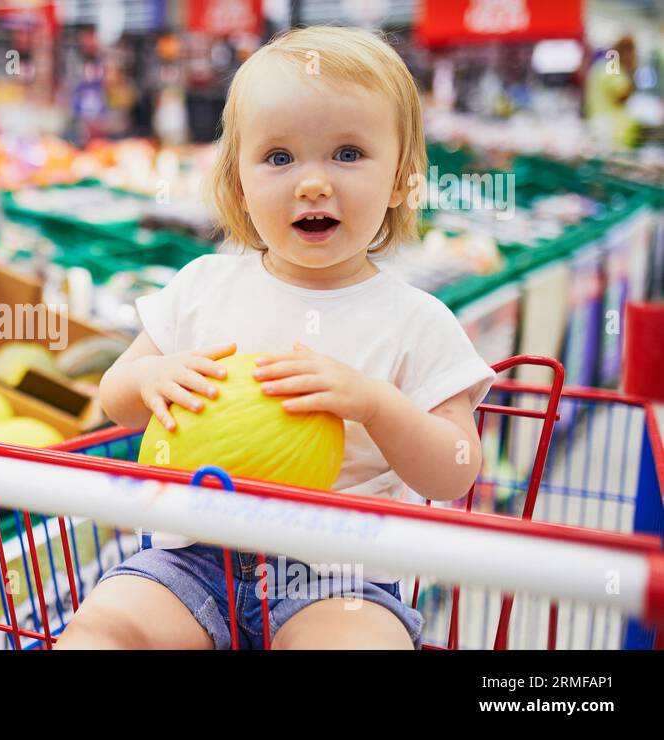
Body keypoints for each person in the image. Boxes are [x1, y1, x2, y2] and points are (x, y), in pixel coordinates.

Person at [57, 26, 495, 650]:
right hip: (191, 559)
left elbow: (455, 469)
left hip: (340, 573)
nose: (311, 183)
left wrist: (374, 403)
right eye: (279, 158)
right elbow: (115, 397)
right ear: (238, 183)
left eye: (347, 153)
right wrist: (150, 378)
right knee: (104, 626)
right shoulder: (202, 285)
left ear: (402, 180)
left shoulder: (417, 321)